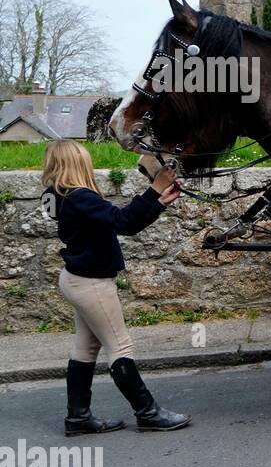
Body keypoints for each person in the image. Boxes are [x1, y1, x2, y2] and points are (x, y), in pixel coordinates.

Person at [41, 140, 192, 435]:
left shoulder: (54, 196)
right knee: (120, 346)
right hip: (91, 283)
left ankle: (78, 418)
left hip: (74, 278)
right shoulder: (80, 197)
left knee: (85, 348)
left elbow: (116, 222)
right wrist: (154, 189)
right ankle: (147, 412)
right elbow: (123, 222)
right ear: (78, 164)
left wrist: (157, 203)